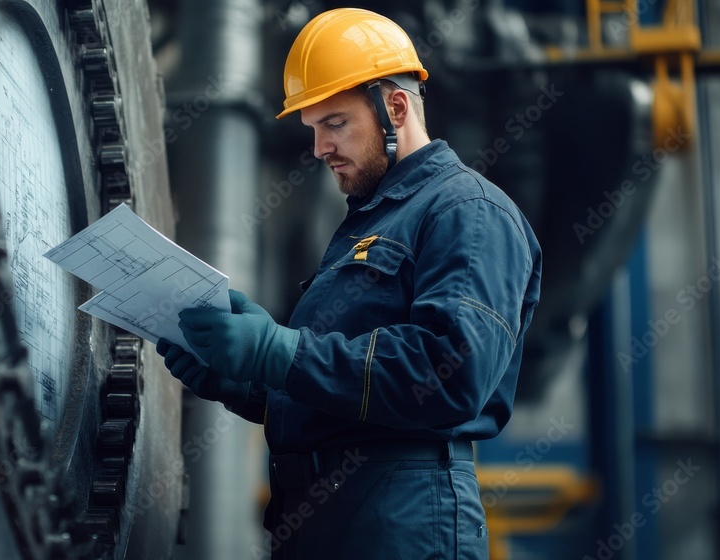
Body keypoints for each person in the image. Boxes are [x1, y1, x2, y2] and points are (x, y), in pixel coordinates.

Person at [156, 7, 541, 560]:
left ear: (396, 107)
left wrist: (276, 349)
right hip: (326, 519)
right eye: (312, 129)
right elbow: (340, 393)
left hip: (401, 522)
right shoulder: (370, 224)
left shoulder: (468, 212)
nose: (319, 149)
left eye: (334, 123)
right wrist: (238, 375)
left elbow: (447, 371)